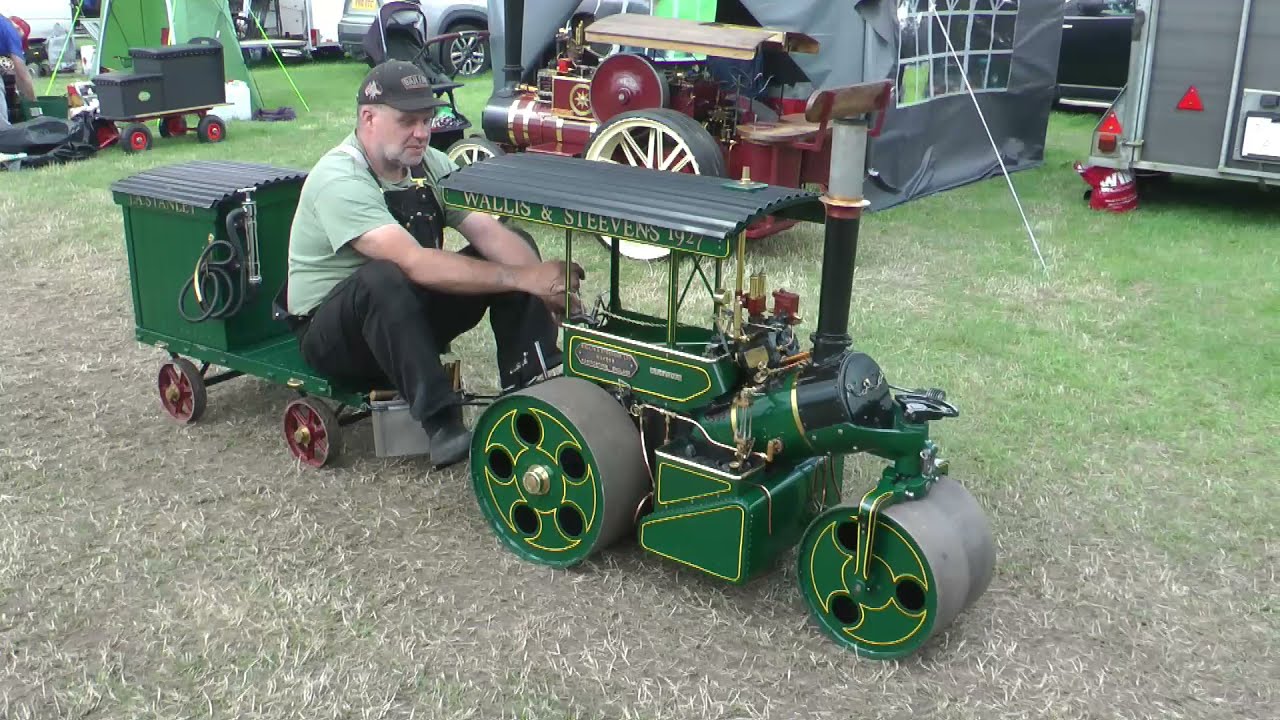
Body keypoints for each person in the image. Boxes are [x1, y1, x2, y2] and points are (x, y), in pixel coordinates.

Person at [284, 60, 582, 468]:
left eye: (427, 119)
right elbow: (414, 262)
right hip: (336, 339)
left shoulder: (428, 164)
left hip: (405, 317)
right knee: (381, 278)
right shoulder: (339, 179)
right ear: (368, 118)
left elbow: (487, 232)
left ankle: (535, 385)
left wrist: (546, 289)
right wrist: (524, 277)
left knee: (513, 242)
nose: (422, 132)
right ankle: (441, 424)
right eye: (408, 121)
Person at [0, 13, 37, 128]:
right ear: (19, 30)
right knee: (2, 129)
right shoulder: (11, 31)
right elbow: (23, 76)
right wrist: (34, 105)